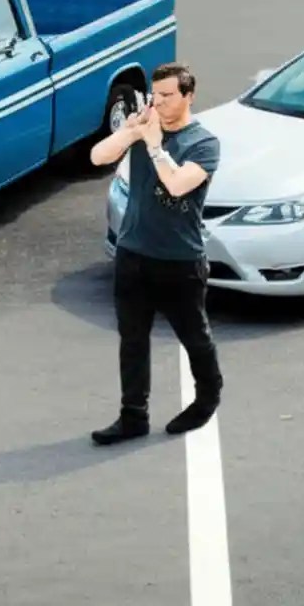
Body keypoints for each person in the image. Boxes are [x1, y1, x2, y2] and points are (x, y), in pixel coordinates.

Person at [88, 62, 223, 446]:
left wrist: (153, 144)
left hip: (179, 261)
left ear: (188, 96)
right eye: (155, 95)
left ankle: (208, 396)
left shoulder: (203, 143)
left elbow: (178, 185)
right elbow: (99, 157)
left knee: (193, 336)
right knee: (132, 340)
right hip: (133, 255)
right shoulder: (146, 128)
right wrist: (131, 131)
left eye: (167, 96)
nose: (159, 103)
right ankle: (133, 415)